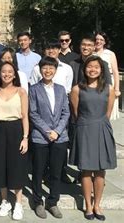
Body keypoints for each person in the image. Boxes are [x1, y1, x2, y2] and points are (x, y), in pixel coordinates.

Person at [69, 56, 116, 221]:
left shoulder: (109, 88)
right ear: (85, 69)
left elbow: (108, 113)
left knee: (101, 170)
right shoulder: (77, 89)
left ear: (101, 69)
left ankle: (97, 204)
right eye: (90, 67)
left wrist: (100, 124)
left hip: (102, 128)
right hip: (84, 128)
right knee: (86, 169)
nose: (93, 69)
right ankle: (88, 205)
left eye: (96, 67)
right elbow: (76, 112)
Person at [29, 56, 70, 219]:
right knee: (38, 171)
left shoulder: (61, 89)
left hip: (59, 137)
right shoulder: (33, 89)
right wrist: (47, 131)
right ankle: (38, 201)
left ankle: (52, 202)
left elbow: (66, 112)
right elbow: (32, 112)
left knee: (56, 172)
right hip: (40, 137)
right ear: (40, 70)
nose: (48, 71)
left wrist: (57, 131)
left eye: (51, 68)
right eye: (44, 68)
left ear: (55, 70)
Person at [0, 61, 29, 220]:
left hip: (16, 130)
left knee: (16, 165)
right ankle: (4, 200)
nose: (6, 74)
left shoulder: (21, 92)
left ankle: (18, 203)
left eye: (10, 71)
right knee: (0, 165)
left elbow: (25, 116)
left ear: (14, 74)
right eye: (3, 71)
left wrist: (25, 137)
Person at [95, 31, 120, 120]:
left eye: (101, 39)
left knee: (107, 113)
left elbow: (115, 72)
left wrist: (116, 89)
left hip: (108, 83)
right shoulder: (91, 53)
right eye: (97, 39)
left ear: (105, 42)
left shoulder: (110, 54)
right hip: (93, 83)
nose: (98, 41)